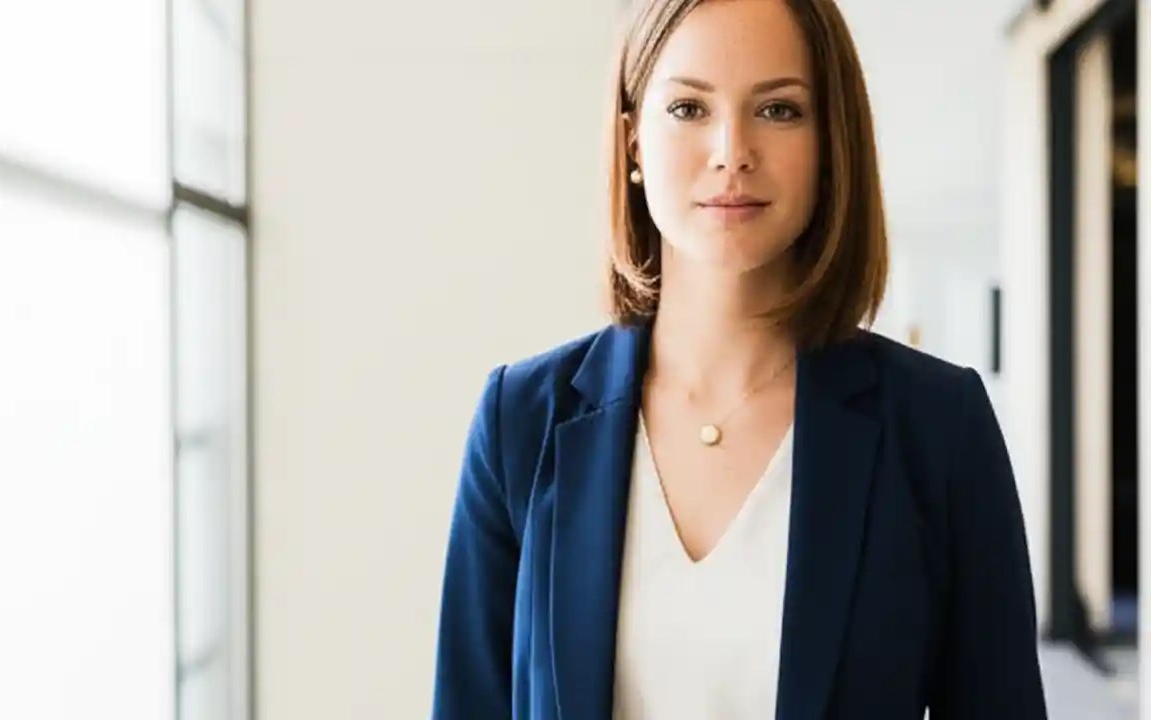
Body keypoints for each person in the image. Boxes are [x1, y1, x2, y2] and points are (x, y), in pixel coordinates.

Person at [431, 0, 1048, 717]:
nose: (731, 150)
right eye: (689, 108)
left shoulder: (938, 426)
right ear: (632, 143)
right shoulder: (521, 420)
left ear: (830, 142)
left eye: (780, 110)